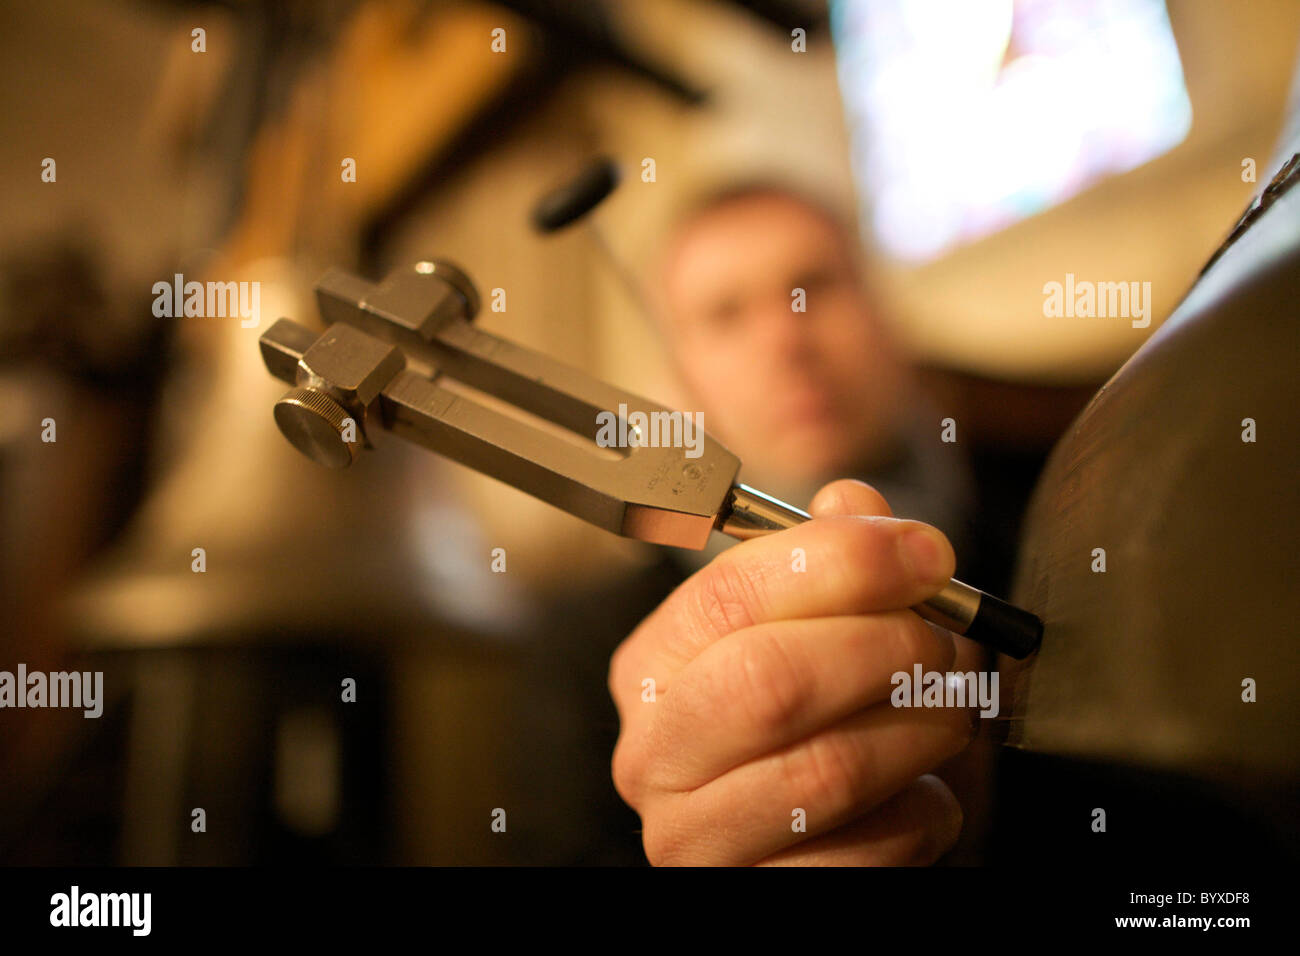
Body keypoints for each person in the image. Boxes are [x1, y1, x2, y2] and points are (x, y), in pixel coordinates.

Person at [603, 182, 993, 864]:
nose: (786, 338)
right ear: (682, 378)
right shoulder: (583, 640)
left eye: (813, 285)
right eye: (726, 315)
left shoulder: (1063, 524)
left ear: (883, 314)